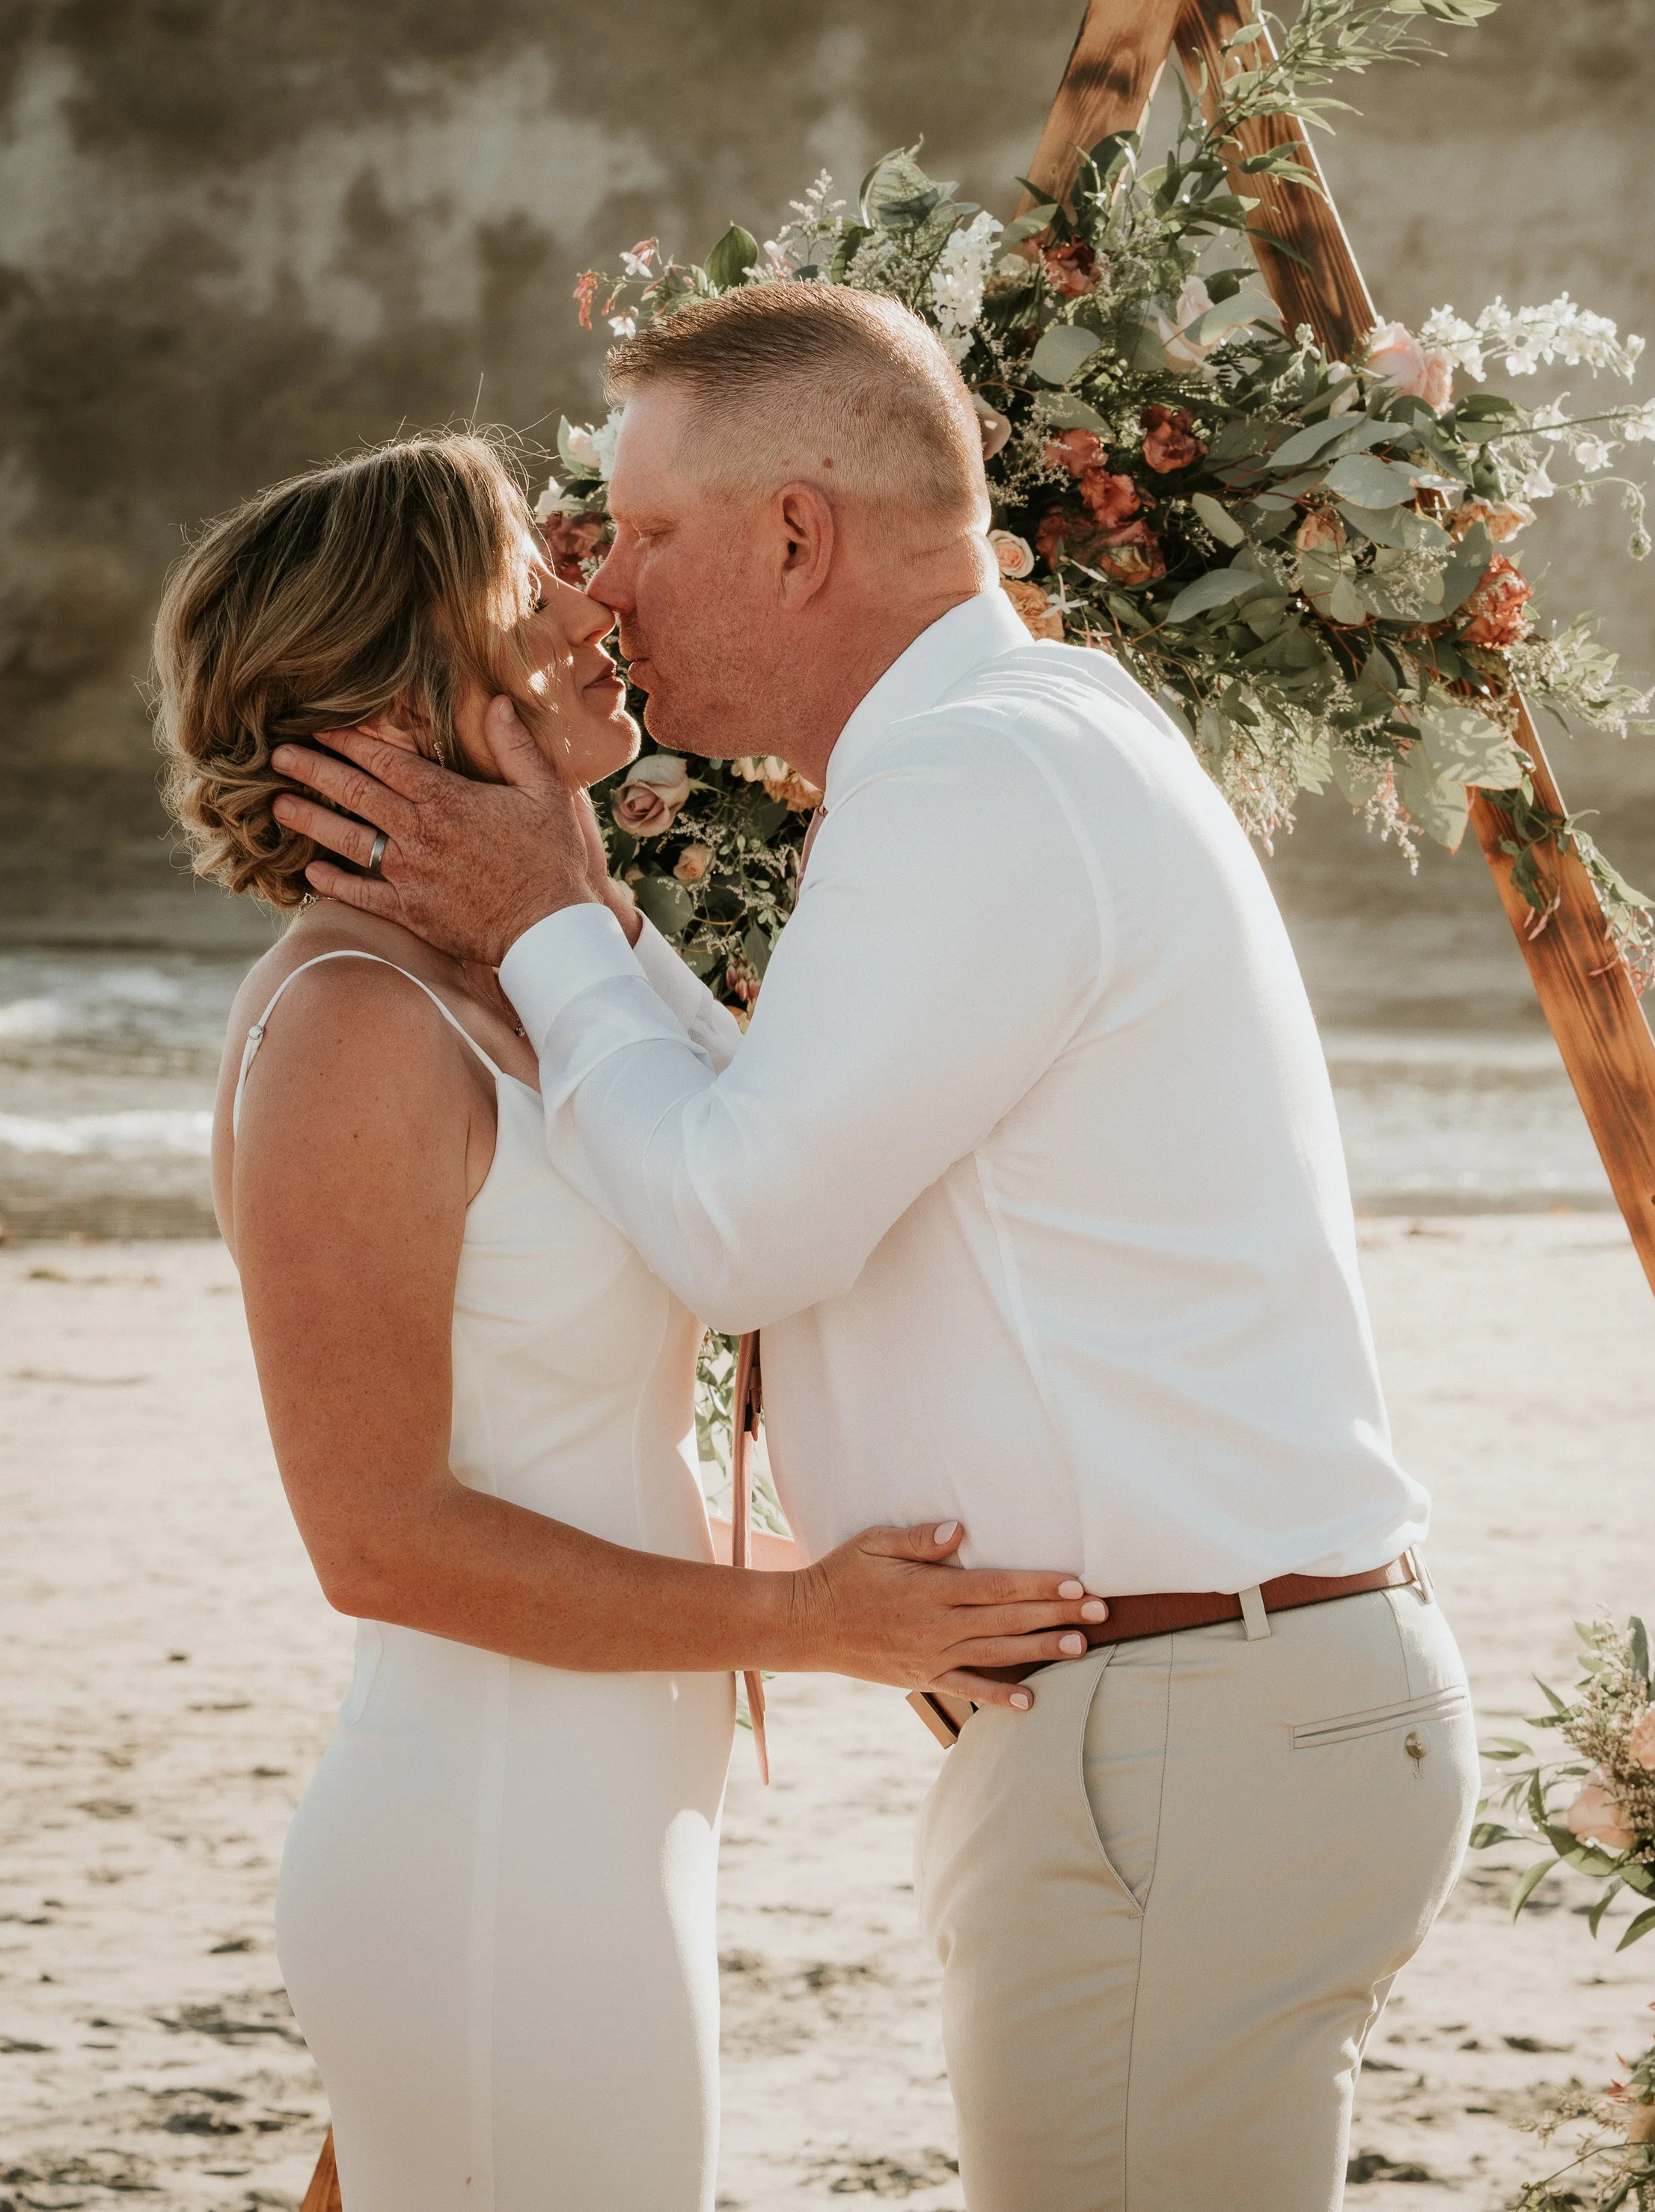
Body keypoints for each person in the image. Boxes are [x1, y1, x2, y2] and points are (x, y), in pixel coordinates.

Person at [273, 290, 1481, 2212]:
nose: (611, 592)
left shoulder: (973, 782)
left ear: (793, 535)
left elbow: (741, 1223)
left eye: (646, 536)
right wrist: (565, 903)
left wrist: (548, 915)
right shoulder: (1039, 730)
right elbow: (764, 1136)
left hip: (1181, 1731)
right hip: (1184, 1713)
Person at [151, 430, 1101, 2212]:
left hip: (596, 1817)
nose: (592, 604)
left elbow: (706, 1256)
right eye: (523, 585)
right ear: (381, 696)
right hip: (496, 1829)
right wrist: (814, 1621)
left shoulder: (515, 970)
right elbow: (377, 1537)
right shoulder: (357, 1027)